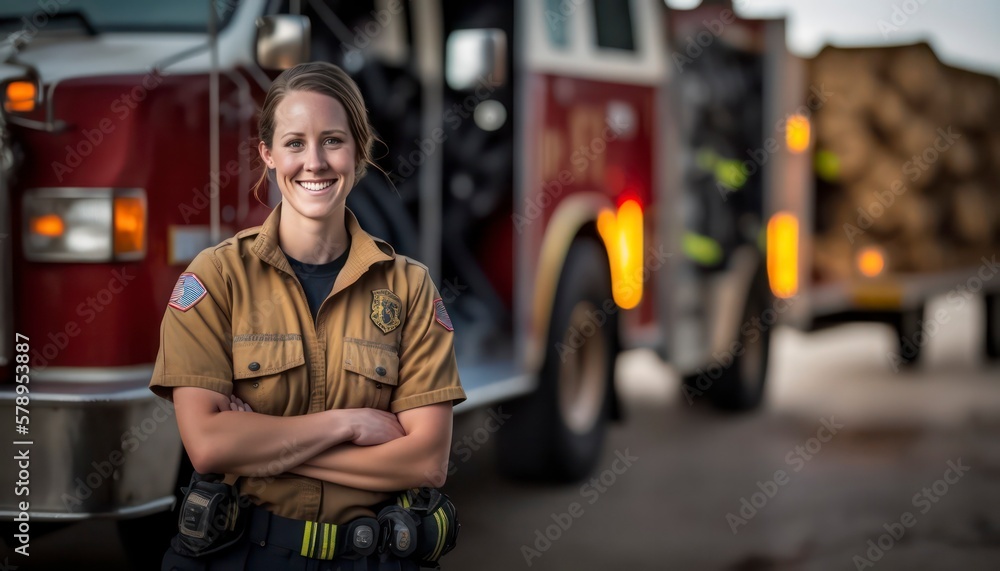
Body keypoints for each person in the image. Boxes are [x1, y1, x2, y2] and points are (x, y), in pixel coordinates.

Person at [149, 61, 466, 570]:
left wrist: (261, 443)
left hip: (371, 558)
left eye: (333, 140)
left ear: (359, 152)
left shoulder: (409, 288)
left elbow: (427, 462)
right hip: (244, 557)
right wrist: (350, 423)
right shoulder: (217, 278)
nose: (314, 162)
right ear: (268, 155)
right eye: (294, 143)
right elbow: (208, 447)